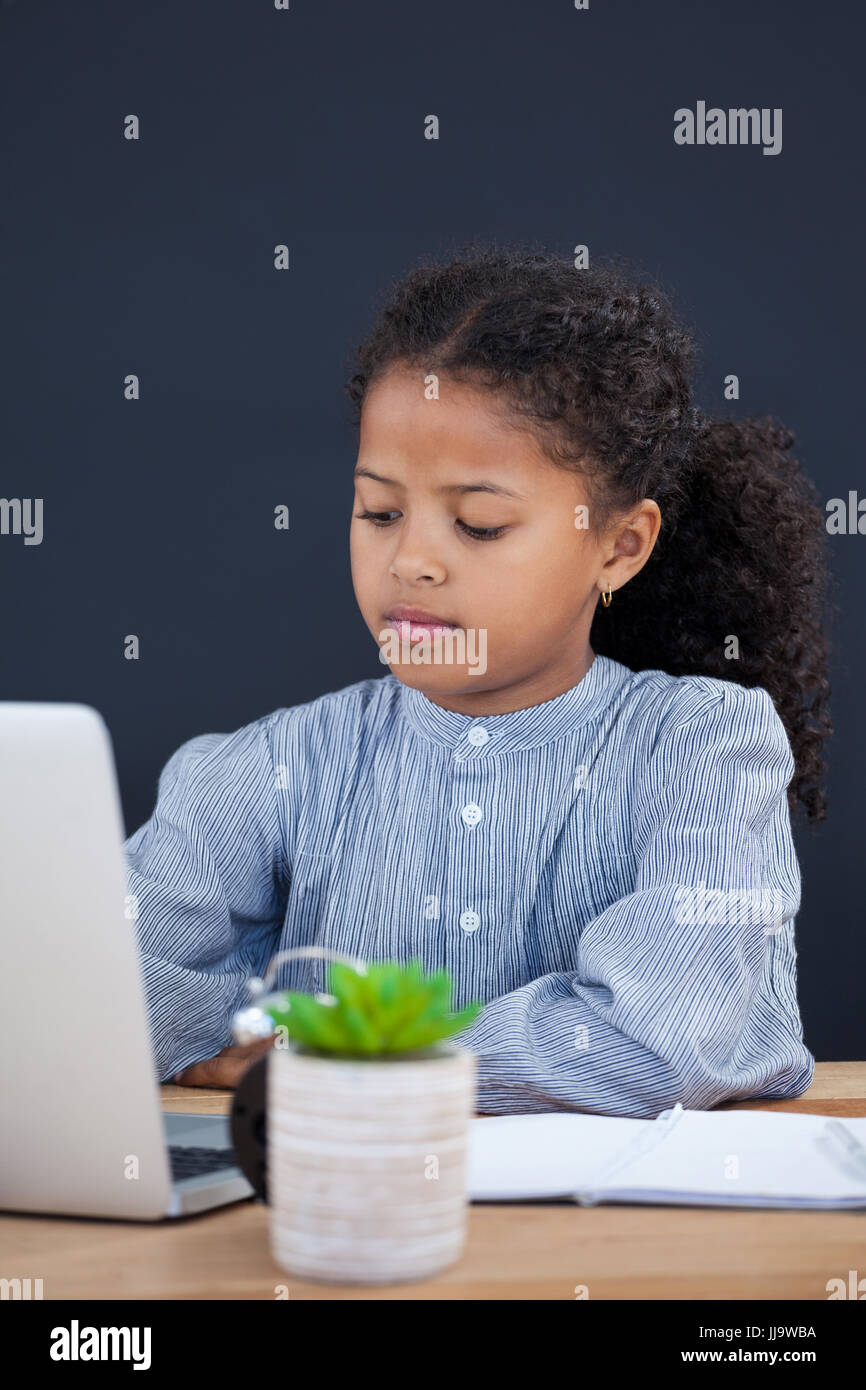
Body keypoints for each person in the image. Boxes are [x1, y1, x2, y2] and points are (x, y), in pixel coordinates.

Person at [125, 243, 831, 1116]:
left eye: (480, 524)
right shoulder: (270, 768)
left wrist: (332, 1053)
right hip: (354, 1198)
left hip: (622, 1208)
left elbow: (660, 1040)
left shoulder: (700, 750)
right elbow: (96, 990)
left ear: (619, 546)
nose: (411, 561)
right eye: (380, 511)